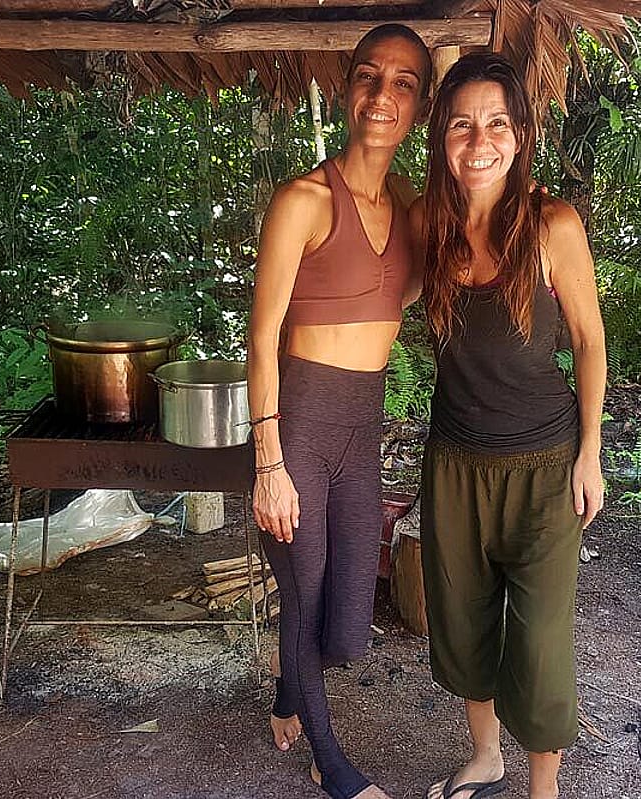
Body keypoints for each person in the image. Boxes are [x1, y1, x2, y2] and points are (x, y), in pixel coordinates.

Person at [407, 52, 607, 799]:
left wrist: (591, 453)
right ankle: (486, 753)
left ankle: (542, 790)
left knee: (541, 642)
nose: (478, 139)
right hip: (456, 461)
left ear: (520, 135)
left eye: (495, 122)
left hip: (546, 463)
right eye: (462, 124)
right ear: (442, 139)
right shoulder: (428, 223)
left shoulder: (553, 225)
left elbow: (589, 341)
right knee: (461, 622)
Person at [246, 23, 432, 799]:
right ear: (347, 87)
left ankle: (292, 691)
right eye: (368, 76)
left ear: (418, 107)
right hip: (299, 421)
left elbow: (406, 291)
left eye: (403, 83)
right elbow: (257, 338)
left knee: (350, 608)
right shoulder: (304, 199)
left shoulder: (414, 210)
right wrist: (268, 461)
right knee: (304, 586)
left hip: (364, 421)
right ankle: (331, 760)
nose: (382, 95)